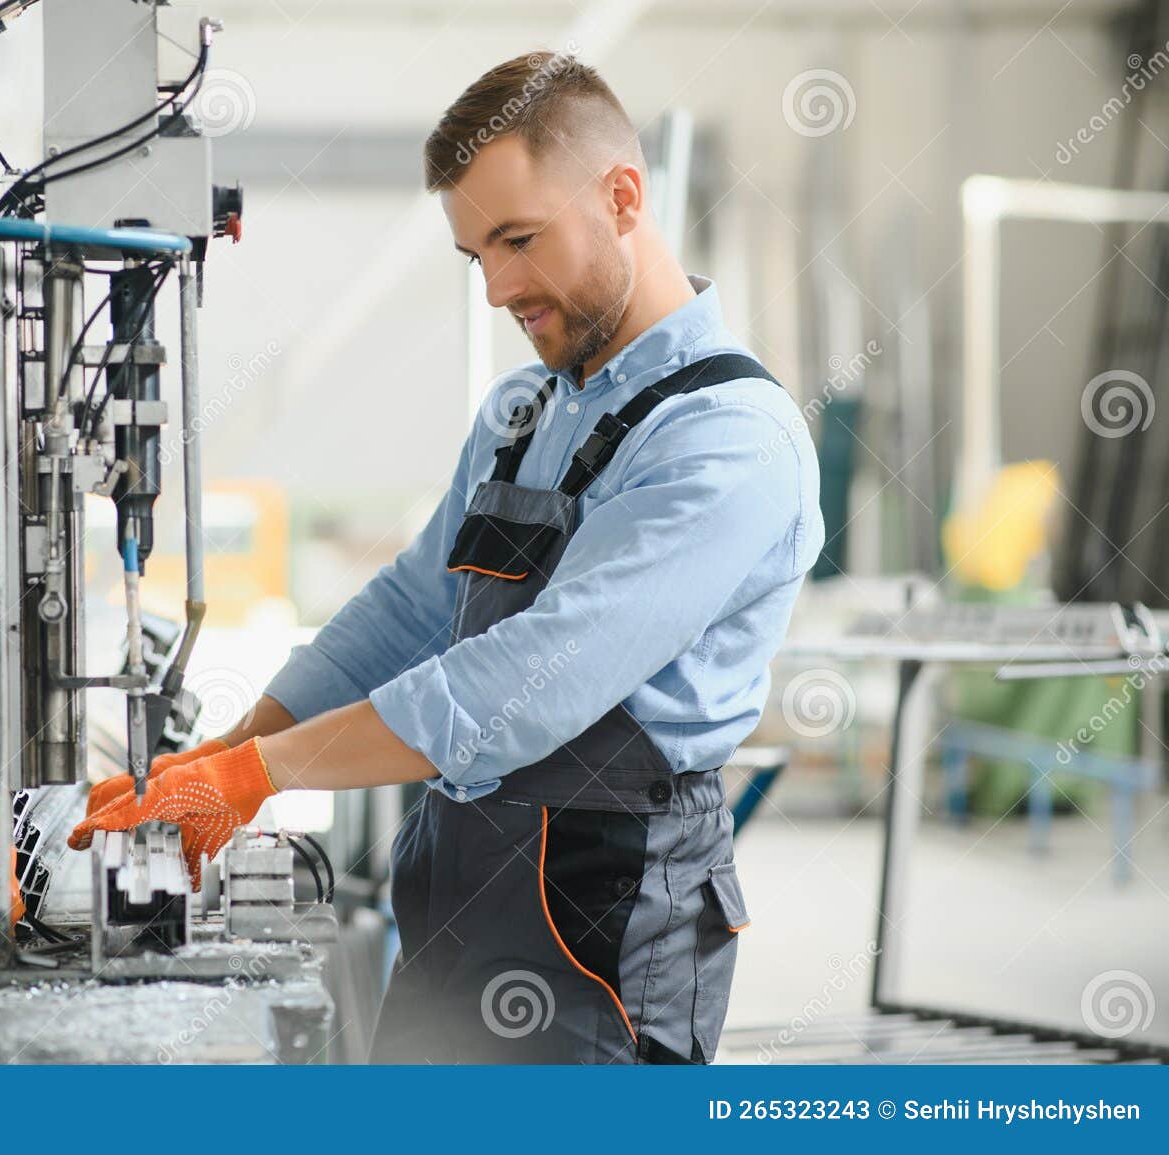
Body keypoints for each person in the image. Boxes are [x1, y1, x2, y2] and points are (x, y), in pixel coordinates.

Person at [70, 51, 823, 1064]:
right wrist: (223, 754)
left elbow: (524, 683)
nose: (499, 289)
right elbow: (411, 609)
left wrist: (259, 775)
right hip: (454, 895)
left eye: (519, 239)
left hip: (599, 929)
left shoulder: (728, 439)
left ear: (622, 196)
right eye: (477, 256)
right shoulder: (524, 411)